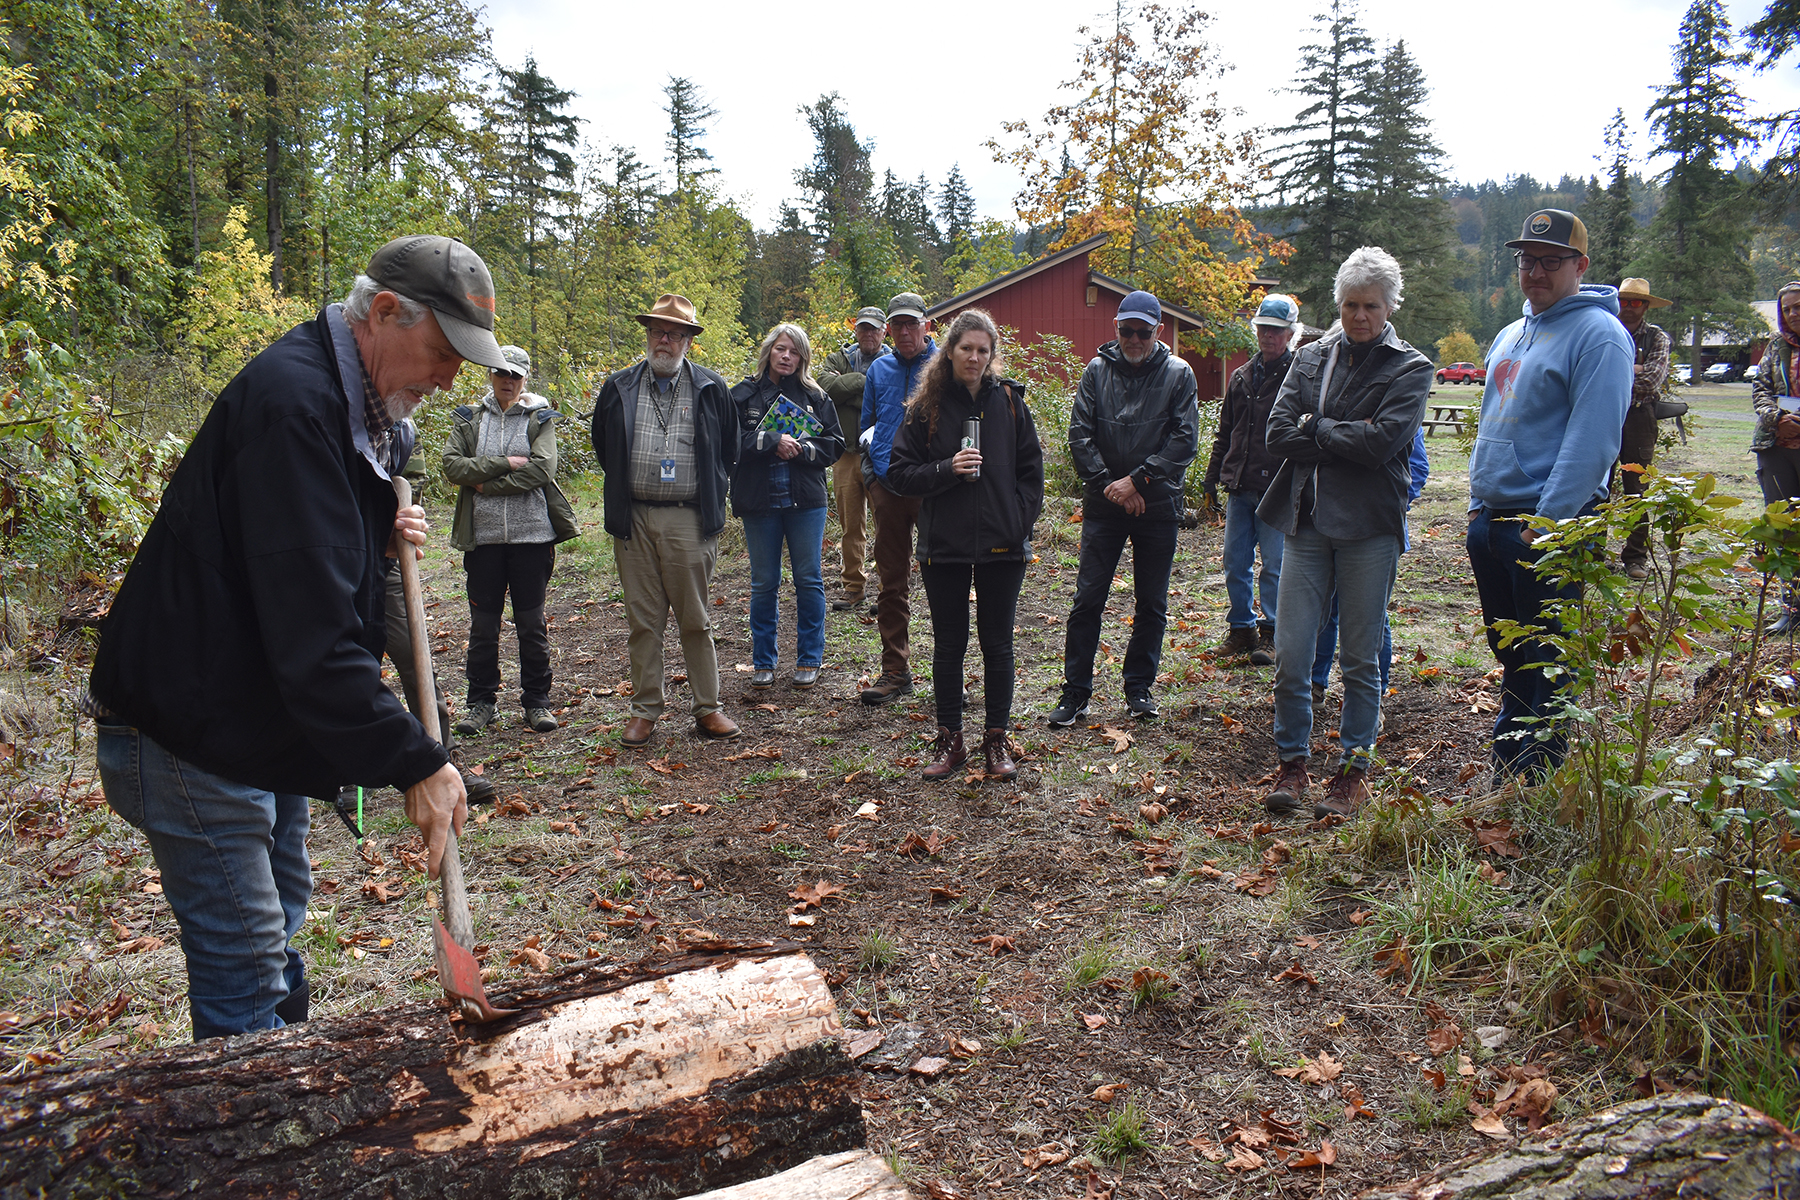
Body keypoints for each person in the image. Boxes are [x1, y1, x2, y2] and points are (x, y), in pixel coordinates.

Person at [85, 234, 505, 1038]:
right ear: (384, 313)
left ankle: (290, 1093)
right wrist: (415, 760)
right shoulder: (293, 406)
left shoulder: (356, 406)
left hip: (250, 714)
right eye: (445, 351)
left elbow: (290, 541)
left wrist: (368, 522)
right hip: (189, 728)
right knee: (246, 972)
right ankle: (252, 1140)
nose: (453, 377)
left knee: (277, 936)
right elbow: (312, 640)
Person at [1259, 247, 1432, 819]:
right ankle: (1292, 761)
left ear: (1390, 306)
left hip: (1370, 528)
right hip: (1306, 521)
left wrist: (1318, 427)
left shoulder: (1410, 368)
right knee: (1291, 652)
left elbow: (1384, 443)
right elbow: (1278, 433)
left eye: (1371, 306)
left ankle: (1354, 767)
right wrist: (1343, 432)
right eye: (1352, 305)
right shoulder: (1310, 359)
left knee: (1360, 657)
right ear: (1339, 304)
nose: (1360, 316)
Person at [1466, 210, 1633, 780]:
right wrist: (1476, 505)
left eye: (1550, 261)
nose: (1534, 271)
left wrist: (1550, 522)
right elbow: (1493, 419)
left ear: (1580, 266)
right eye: (1526, 260)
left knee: (1546, 660)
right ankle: (1511, 772)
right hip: (1491, 520)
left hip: (1550, 526)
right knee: (1512, 655)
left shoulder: (1601, 336)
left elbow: (1593, 441)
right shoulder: (1512, 332)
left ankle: (1530, 787)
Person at [886, 309, 1044, 778]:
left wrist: (1017, 520)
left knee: (997, 645)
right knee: (949, 644)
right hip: (945, 545)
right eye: (966, 349)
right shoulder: (926, 407)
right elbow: (898, 472)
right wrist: (945, 469)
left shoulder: (1011, 402)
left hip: (1003, 545)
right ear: (949, 351)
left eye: (983, 350)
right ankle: (950, 739)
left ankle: (997, 739)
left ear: (992, 354)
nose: (974, 358)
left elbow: (1032, 475)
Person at [590, 293, 741, 750]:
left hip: (689, 520)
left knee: (695, 618)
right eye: (658, 331)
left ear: (688, 341)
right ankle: (644, 711)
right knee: (643, 620)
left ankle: (707, 707)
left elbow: (729, 451)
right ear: (648, 335)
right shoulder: (618, 386)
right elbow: (603, 445)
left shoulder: (713, 389)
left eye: (675, 333)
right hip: (634, 517)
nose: (665, 340)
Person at [1047, 290, 1199, 727]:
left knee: (1151, 602)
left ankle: (1139, 688)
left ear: (1158, 330)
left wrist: (1137, 481)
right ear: (1116, 328)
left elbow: (1184, 440)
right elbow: (1080, 436)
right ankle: (1075, 692)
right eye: (1126, 330)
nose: (1134, 338)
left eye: (1143, 331)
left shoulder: (1178, 373)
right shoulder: (1096, 371)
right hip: (1103, 505)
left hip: (1158, 503)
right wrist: (1111, 488)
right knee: (1087, 599)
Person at [444, 344, 578, 737]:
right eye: (501, 373)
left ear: (525, 378)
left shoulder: (540, 417)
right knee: (483, 628)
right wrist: (505, 464)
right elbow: (453, 465)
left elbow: (543, 469)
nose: (508, 381)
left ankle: (537, 703)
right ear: (490, 373)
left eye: (515, 375)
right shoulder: (470, 418)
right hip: (483, 540)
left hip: (532, 538)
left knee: (531, 625)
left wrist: (484, 483)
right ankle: (480, 703)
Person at [731, 324, 846, 689]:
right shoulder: (742, 395)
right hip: (759, 503)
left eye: (794, 352)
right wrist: (769, 441)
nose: (786, 356)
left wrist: (804, 449)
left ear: (803, 358)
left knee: (809, 580)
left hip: (806, 503)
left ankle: (810, 657)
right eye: (781, 349)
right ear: (769, 351)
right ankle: (763, 661)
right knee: (764, 583)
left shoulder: (816, 397)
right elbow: (728, 442)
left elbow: (835, 444)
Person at [1203, 294, 1300, 669]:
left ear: (1290, 334)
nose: (1268, 336)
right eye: (1263, 328)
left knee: (1275, 565)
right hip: (1239, 486)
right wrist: (1212, 480)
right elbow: (1225, 433)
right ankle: (1242, 629)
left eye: (1276, 330)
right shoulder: (1241, 376)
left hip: (1277, 488)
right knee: (1234, 562)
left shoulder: (1298, 376)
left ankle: (1273, 632)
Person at [1311, 428, 1430, 716]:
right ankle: (1315, 685)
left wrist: (1390, 505)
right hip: (1327, 524)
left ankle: (1373, 696)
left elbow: (1418, 467)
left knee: (1371, 614)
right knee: (1325, 607)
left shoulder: (1397, 407)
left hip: (1376, 528)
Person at [858, 293, 938, 706]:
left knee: (946, 579)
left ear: (928, 325)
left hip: (934, 491)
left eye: (912, 324)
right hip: (887, 489)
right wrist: (872, 478)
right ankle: (895, 670)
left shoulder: (945, 366)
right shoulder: (880, 369)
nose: (905, 332)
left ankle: (949, 670)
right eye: (898, 325)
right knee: (892, 583)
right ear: (889, 329)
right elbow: (867, 426)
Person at [817, 306, 888, 611]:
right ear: (855, 331)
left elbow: (890, 396)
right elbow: (824, 386)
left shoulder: (894, 360)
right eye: (863, 328)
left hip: (883, 453)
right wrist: (866, 382)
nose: (868, 334)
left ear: (884, 331)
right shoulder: (839, 358)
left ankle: (889, 590)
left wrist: (847, 388)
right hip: (846, 454)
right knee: (851, 526)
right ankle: (853, 588)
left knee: (886, 524)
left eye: (874, 328)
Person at [1613, 278, 1673, 580]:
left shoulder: (1658, 338)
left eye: (1636, 302)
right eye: (1624, 301)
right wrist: (1634, 368)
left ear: (1646, 306)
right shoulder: (1603, 329)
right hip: (1603, 416)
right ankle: (1591, 552)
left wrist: (1614, 376)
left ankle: (1635, 558)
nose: (1628, 307)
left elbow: (1650, 382)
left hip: (1639, 418)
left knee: (1636, 491)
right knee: (1592, 484)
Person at [1751, 280, 1800, 632]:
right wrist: (1778, 419)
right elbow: (1761, 389)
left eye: (1799, 306)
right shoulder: (1776, 346)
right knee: (1783, 527)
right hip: (1776, 446)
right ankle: (1790, 608)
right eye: (1787, 309)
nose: (1794, 313)